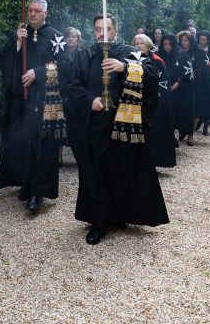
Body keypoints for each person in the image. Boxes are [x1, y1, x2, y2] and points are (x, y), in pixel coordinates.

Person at [67, 15, 169, 245]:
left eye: (107, 29)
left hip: (124, 125)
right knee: (97, 171)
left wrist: (126, 67)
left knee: (123, 169)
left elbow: (153, 76)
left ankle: (122, 214)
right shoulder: (84, 56)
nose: (102, 33)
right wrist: (89, 99)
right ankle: (99, 221)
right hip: (95, 125)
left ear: (116, 30)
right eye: (97, 29)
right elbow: (72, 87)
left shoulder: (131, 52)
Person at [0, 0, 66, 214]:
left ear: (46, 12)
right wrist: (17, 44)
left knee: (42, 146)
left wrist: (39, 73)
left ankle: (38, 191)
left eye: (37, 11)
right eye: (30, 11)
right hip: (22, 101)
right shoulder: (21, 34)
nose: (33, 14)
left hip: (45, 100)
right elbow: (5, 63)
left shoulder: (56, 37)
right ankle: (26, 183)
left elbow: (66, 66)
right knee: (23, 144)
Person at [174, 30, 210, 144]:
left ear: (190, 41)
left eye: (186, 40)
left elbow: (204, 68)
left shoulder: (198, 51)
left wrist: (192, 73)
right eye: (181, 40)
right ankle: (182, 131)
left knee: (195, 111)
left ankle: (190, 134)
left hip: (196, 85)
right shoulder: (177, 51)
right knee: (181, 109)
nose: (183, 43)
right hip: (180, 85)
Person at [149, 33, 179, 167]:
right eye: (165, 44)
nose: (167, 47)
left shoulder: (179, 55)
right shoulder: (158, 56)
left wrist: (176, 83)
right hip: (162, 89)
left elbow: (180, 71)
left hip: (174, 88)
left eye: (169, 44)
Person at [58, 27, 83, 165]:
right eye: (67, 36)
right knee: (60, 125)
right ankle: (59, 157)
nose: (70, 39)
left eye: (73, 37)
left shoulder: (83, 54)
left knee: (77, 125)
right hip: (62, 92)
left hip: (77, 94)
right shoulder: (60, 54)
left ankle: (80, 156)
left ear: (78, 40)